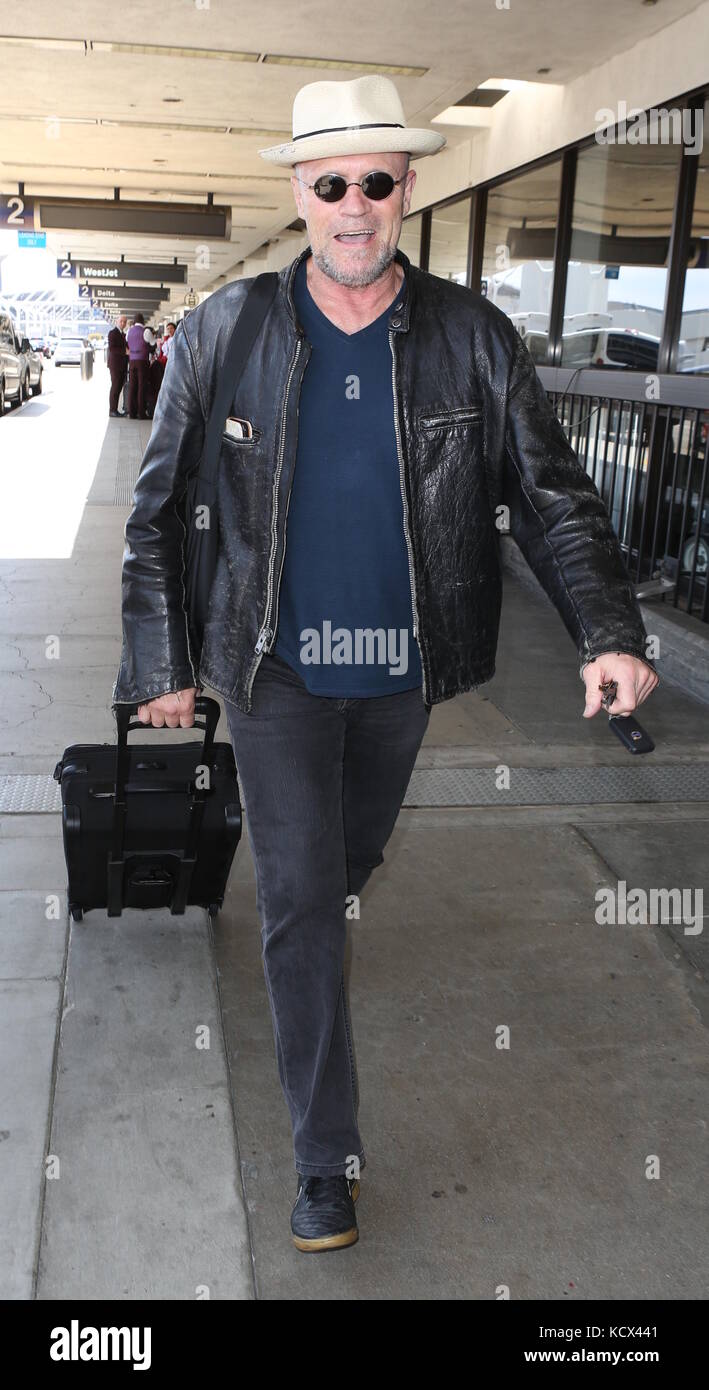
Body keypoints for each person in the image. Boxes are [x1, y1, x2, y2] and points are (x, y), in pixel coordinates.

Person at [112, 75, 659, 1254]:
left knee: (345, 864)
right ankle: (326, 1158)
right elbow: (157, 513)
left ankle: (310, 886)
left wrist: (609, 632)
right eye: (329, 183)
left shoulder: (471, 335)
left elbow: (553, 498)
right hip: (272, 673)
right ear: (297, 192)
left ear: (407, 189)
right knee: (304, 901)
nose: (352, 205)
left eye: (374, 181)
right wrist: (161, 658)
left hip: (404, 675)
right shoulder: (228, 332)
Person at [125, 313, 150, 419]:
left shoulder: (129, 331)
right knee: (141, 387)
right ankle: (141, 413)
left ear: (134, 321)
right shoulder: (146, 331)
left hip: (132, 361)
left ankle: (132, 412)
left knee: (132, 386)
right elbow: (153, 343)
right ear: (143, 320)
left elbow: (127, 343)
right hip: (142, 361)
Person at [106, 314, 128, 417]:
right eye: (121, 321)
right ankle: (112, 410)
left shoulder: (123, 334)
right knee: (115, 387)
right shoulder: (112, 333)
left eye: (124, 322)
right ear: (117, 322)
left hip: (121, 365)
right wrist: (125, 351)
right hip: (115, 365)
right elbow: (112, 348)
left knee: (118, 387)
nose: (123, 323)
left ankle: (115, 409)